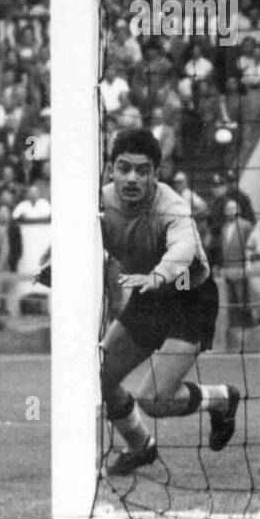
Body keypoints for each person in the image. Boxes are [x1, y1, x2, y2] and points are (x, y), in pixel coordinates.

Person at [98, 128, 241, 475]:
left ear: (155, 174)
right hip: (150, 296)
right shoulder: (99, 204)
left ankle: (222, 399)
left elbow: (183, 250)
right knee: (99, 376)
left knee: (154, 400)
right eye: (123, 168)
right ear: (111, 169)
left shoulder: (173, 206)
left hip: (189, 297)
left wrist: (158, 275)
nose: (132, 178)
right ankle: (140, 446)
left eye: (142, 170)